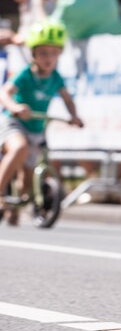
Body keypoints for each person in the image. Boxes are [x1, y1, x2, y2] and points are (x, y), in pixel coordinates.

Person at [0, 22, 83, 225]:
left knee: (28, 175)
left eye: (54, 53)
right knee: (18, 148)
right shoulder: (25, 74)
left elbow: (67, 99)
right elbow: (5, 92)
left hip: (36, 127)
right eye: (44, 53)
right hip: (15, 122)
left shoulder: (56, 78)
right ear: (34, 55)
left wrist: (74, 116)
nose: (49, 58)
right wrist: (14, 107)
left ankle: (15, 208)